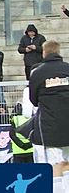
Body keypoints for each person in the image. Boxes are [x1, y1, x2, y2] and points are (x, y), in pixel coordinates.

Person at [28, 40, 69, 191]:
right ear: (59, 52)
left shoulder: (38, 73)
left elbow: (33, 100)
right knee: (67, 165)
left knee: (54, 166)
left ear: (44, 52)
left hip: (49, 128)